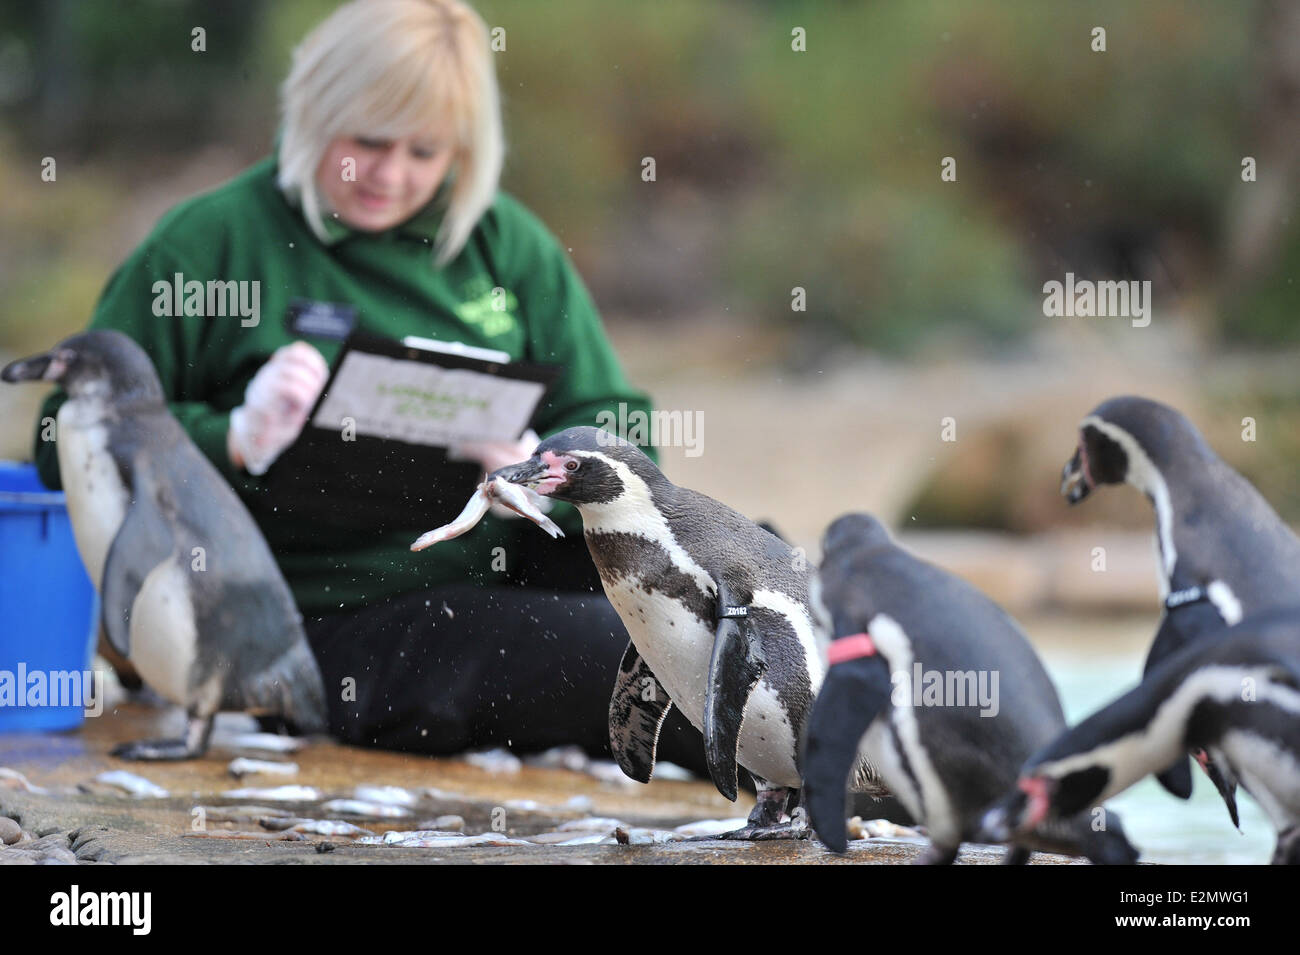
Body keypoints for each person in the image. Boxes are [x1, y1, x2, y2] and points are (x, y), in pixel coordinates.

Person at [32, 0, 708, 771]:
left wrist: (544, 462)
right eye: (367, 144)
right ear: (313, 114)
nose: (389, 176)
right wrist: (236, 440)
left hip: (494, 560)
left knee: (739, 575)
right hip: (316, 621)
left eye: (425, 153)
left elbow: (619, 425)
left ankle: (846, 734)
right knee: (616, 655)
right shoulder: (209, 243)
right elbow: (61, 439)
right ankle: (839, 774)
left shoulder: (504, 244)